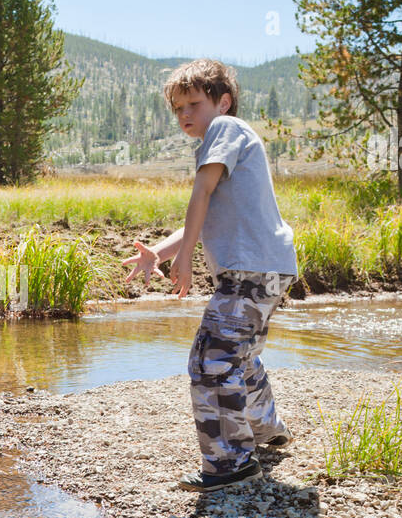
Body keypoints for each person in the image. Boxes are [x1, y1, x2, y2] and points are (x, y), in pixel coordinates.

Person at [122, 59, 299, 490]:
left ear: (223, 102)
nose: (185, 115)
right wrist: (161, 255)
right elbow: (204, 213)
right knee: (239, 353)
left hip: (249, 271)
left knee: (210, 362)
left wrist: (185, 259)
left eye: (194, 104)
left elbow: (200, 194)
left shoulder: (224, 128)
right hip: (269, 267)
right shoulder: (228, 139)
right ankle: (265, 430)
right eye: (178, 108)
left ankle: (230, 463)